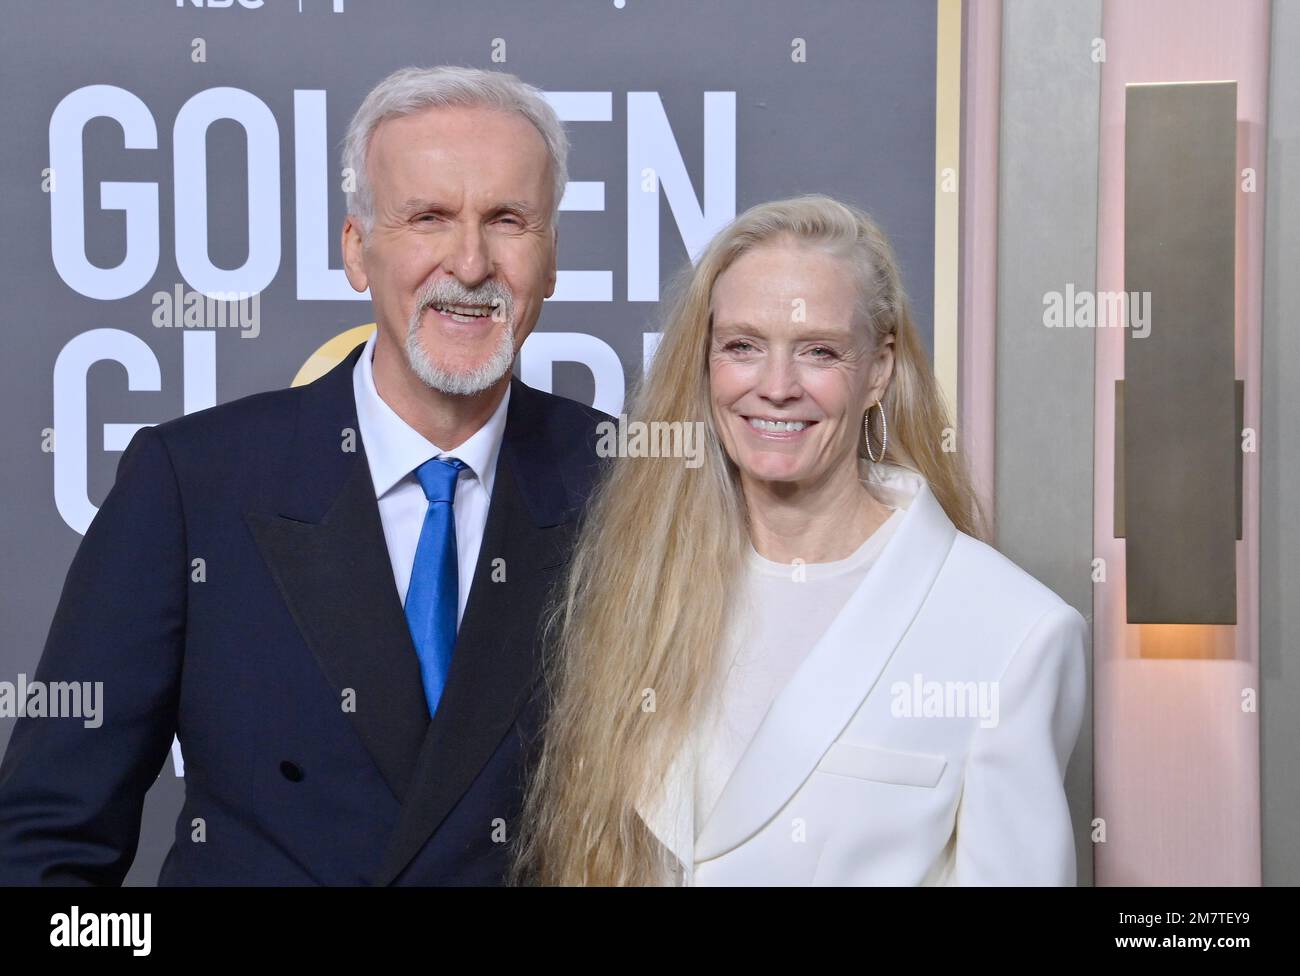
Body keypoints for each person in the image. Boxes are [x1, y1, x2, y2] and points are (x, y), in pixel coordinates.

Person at [0, 65, 608, 885]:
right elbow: (44, 845)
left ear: (551, 256)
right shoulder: (193, 484)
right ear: (357, 251)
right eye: (427, 217)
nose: (470, 263)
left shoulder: (626, 489)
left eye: (507, 220)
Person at [515, 194, 1088, 886]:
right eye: (743, 347)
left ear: (878, 369)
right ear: (705, 364)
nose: (776, 388)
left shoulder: (1014, 634)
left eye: (819, 351)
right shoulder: (637, 582)